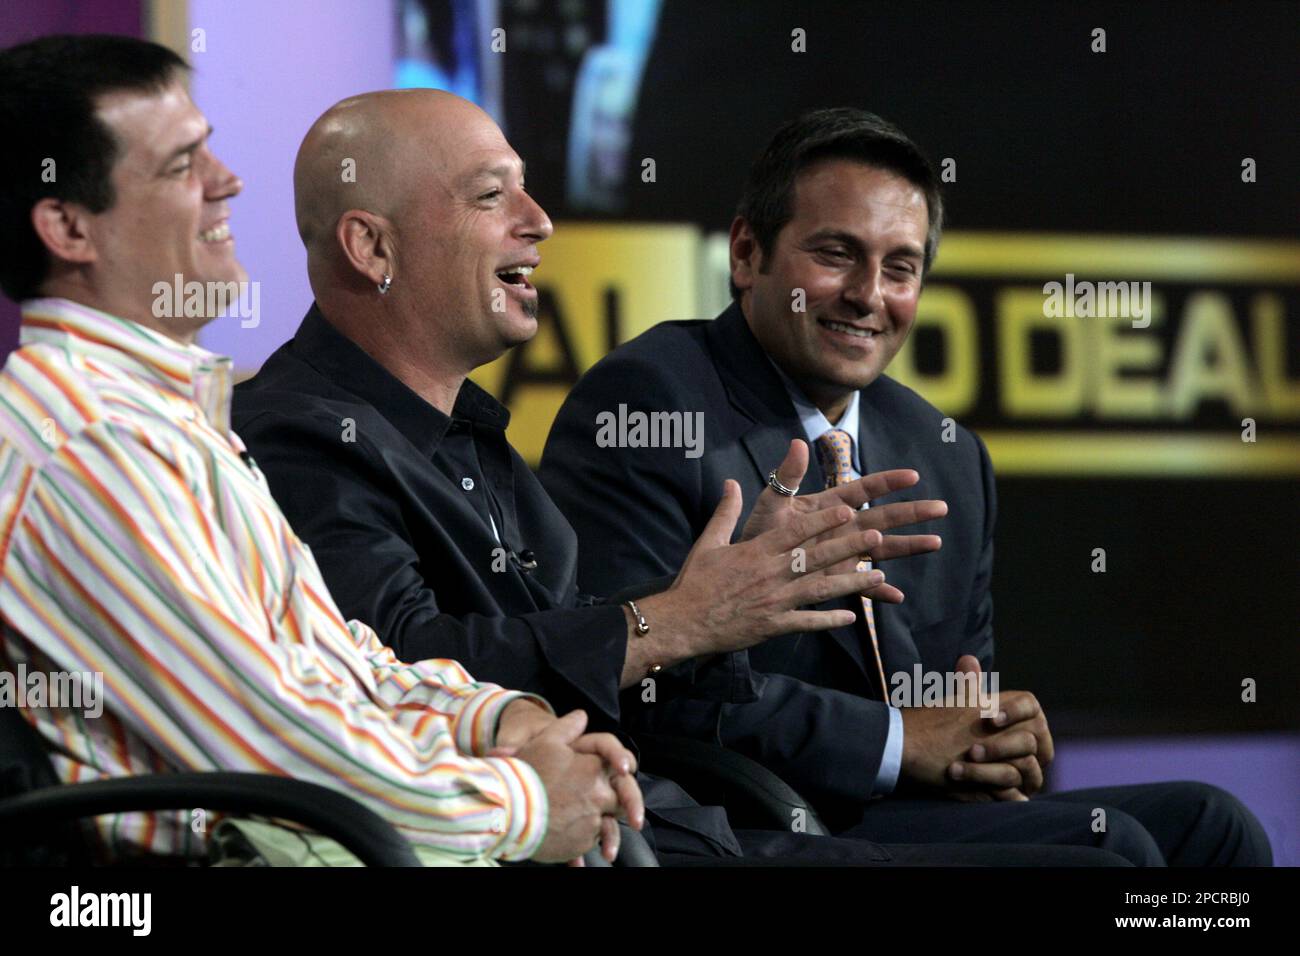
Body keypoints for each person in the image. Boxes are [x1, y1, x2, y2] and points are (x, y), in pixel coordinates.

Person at [234, 88, 1133, 866]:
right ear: (371, 247)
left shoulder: (476, 438)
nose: (539, 219)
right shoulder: (303, 435)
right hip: (600, 831)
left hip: (651, 822)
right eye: (489, 195)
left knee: (1197, 831)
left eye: (901, 266)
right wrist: (684, 620)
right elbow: (385, 674)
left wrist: (979, 738)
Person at [540, 107, 1273, 866]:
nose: (868, 295)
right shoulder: (646, 404)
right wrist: (898, 741)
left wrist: (988, 738)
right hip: (738, 821)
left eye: (901, 268)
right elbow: (624, 686)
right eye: (836, 255)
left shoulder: (948, 453)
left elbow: (959, 698)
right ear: (747, 252)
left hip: (901, 810)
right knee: (1113, 856)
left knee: (1212, 826)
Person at [0, 33, 640, 867]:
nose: (227, 182)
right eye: (181, 165)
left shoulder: (164, 419)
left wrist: (497, 718)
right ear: (68, 226)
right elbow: (269, 736)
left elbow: (332, 664)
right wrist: (524, 806)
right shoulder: (90, 446)